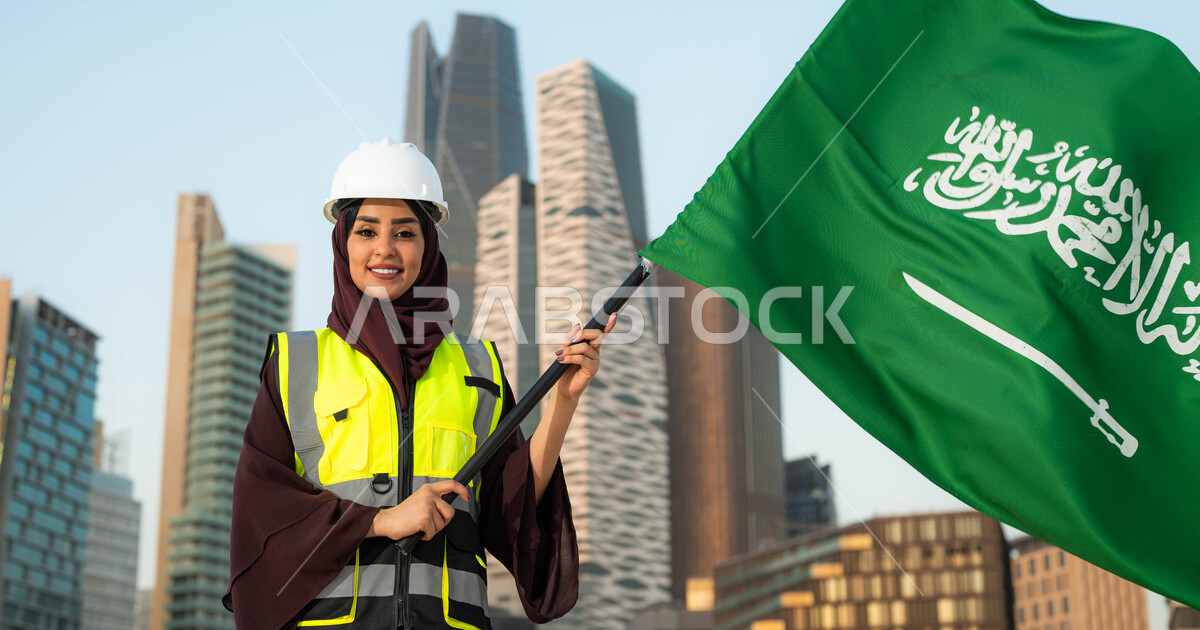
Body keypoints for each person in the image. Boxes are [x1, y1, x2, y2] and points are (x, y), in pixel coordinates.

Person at [222, 138, 614, 629]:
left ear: (427, 247)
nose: (384, 249)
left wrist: (562, 400)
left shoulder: (479, 365)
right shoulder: (294, 361)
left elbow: (509, 507)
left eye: (404, 233)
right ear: (343, 242)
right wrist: (380, 521)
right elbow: (263, 508)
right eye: (367, 231)